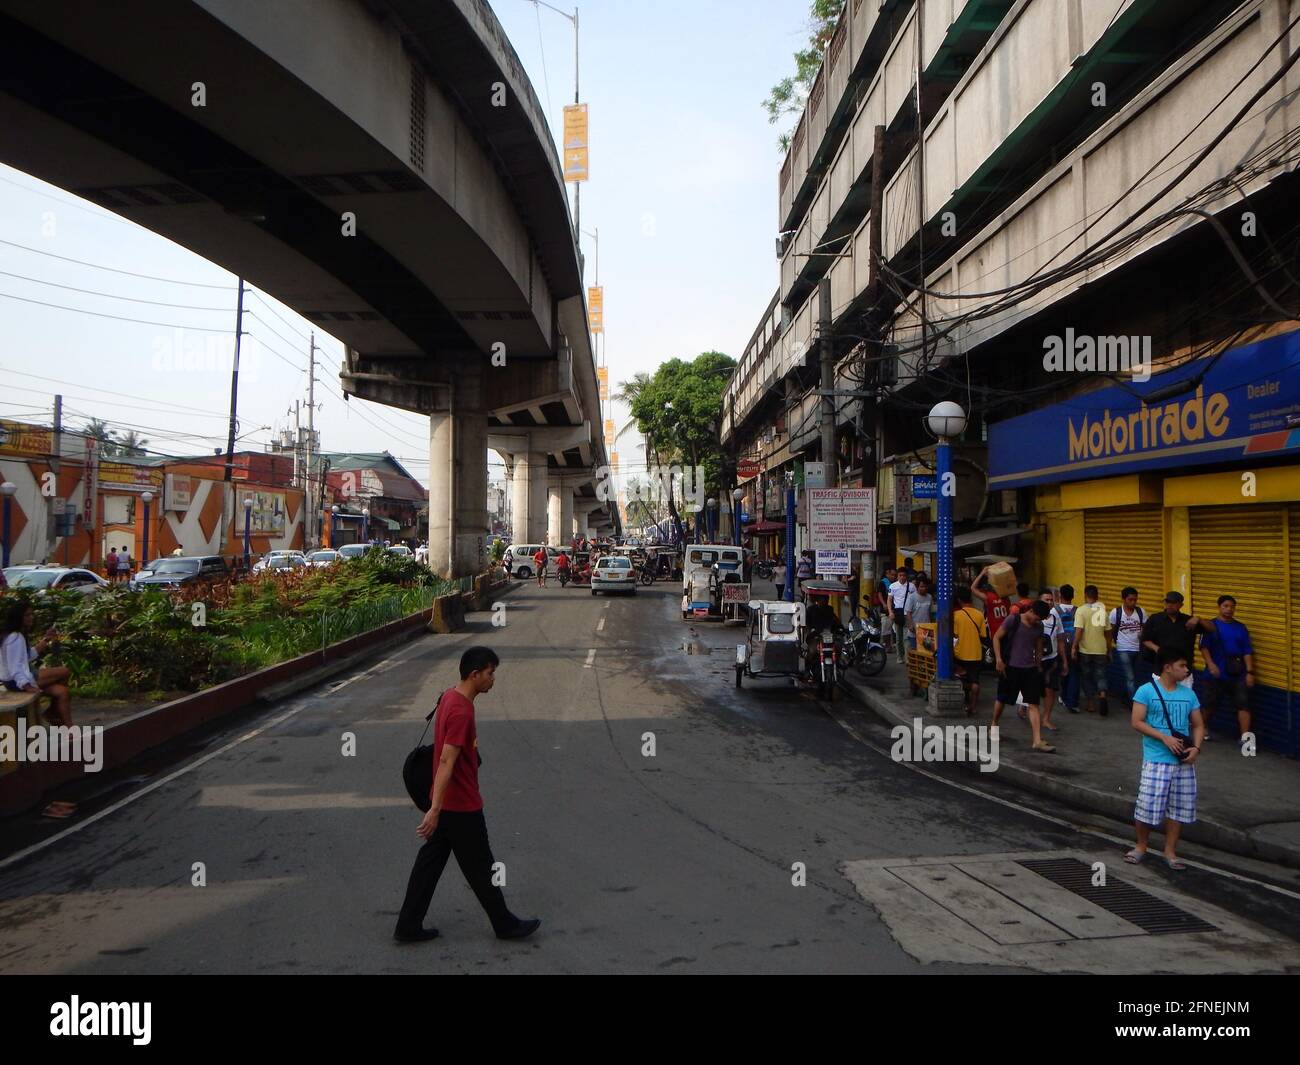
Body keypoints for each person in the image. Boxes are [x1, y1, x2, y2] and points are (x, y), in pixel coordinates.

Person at [394, 646, 540, 943]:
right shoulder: (461, 710)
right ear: (474, 674)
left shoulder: (449, 696)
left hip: (448, 803)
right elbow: (447, 760)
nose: (493, 679)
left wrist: (437, 806)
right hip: (459, 806)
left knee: (430, 864)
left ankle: (408, 925)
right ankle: (504, 924)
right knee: (482, 866)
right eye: (490, 673)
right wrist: (435, 809)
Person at [1126, 647, 1204, 870]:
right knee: (1147, 805)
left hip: (1182, 761)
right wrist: (1164, 738)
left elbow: (1198, 725)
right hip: (1156, 758)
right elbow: (1137, 721)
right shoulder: (1146, 691)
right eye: (1182, 666)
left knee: (1178, 807)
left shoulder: (1188, 694)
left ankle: (1170, 850)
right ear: (1167, 668)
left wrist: (1196, 748)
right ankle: (1141, 846)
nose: (1186, 670)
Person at [992, 600, 1054, 752]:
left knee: (1033, 704)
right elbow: (996, 637)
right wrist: (999, 659)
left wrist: (1038, 666)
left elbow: (1039, 647)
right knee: (1002, 699)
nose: (1038, 622)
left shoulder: (1038, 627)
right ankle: (994, 724)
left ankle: (1037, 740)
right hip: (1010, 667)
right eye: (1037, 618)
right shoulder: (1013, 620)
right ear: (1031, 611)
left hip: (1030, 670)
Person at [0, 602, 72, 726]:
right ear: (18, 617)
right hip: (16, 681)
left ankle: (69, 728)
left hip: (22, 677)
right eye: (27, 615)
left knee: (62, 692)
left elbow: (28, 656)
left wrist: (46, 639)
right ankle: (53, 713)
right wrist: (27, 686)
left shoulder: (17, 635)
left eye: (32, 614)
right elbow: (15, 667)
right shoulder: (15, 638)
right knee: (64, 671)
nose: (31, 617)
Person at [1196, 595, 1255, 743]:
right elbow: (1204, 647)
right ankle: (1201, 727)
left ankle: (1245, 738)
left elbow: (1247, 650)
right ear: (1219, 607)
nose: (1229, 609)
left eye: (1232, 607)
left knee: (1244, 704)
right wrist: (1211, 664)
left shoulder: (1241, 628)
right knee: (1210, 704)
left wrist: (1249, 672)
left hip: (1237, 673)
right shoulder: (1211, 625)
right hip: (1215, 673)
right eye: (1225, 606)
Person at [1140, 592, 1202, 689]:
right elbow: (1145, 639)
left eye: (1173, 603)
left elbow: (1212, 629)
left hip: (1184, 674)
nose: (1169, 605)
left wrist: (1198, 619)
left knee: (1183, 701)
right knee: (1162, 701)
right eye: (1167, 602)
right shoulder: (1155, 619)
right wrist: (1158, 649)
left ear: (1180, 605)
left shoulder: (1188, 621)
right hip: (1161, 671)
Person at [1071, 585, 1111, 716]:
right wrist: (1109, 649)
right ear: (1097, 596)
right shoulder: (1103, 611)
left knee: (1087, 676)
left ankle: (1090, 703)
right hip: (1101, 649)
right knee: (1101, 674)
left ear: (1085, 595)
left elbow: (1079, 631)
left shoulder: (1081, 611)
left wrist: (1074, 647)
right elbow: (1108, 633)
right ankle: (1103, 694)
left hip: (1085, 650)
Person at [952, 587, 988, 716]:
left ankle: (961, 700)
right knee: (975, 681)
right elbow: (983, 635)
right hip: (976, 654)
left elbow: (955, 635)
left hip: (959, 653)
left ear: (959, 600)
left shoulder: (956, 615)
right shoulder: (979, 614)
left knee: (958, 675)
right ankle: (973, 706)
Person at [1108, 587, 1146, 702]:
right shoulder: (1116, 612)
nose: (1133, 602)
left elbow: (1146, 628)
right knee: (1130, 677)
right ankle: (1133, 702)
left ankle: (1128, 695)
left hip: (1138, 649)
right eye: (1130, 600)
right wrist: (1109, 647)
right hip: (1123, 648)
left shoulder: (1140, 612)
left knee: (1134, 676)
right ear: (1123, 599)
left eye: (1135, 600)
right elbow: (1111, 630)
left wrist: (1142, 636)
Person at [1036, 590, 1067, 732]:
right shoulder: (1033, 617)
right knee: (1031, 689)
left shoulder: (1056, 618)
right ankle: (1024, 708)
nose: (1049, 602)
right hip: (1033, 660)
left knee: (1050, 690)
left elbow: (1060, 640)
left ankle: (1046, 719)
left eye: (1051, 600)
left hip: (1051, 660)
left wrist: (1064, 661)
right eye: (1046, 600)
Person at [970, 566, 1012, 646]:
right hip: (1007, 631)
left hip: (994, 632)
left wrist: (982, 573)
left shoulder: (988, 598)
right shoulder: (1006, 597)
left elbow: (973, 588)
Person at [1055, 584, 1079, 712]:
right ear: (1073, 596)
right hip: (1075, 645)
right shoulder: (1078, 610)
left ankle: (1064, 696)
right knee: (1074, 673)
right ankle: (1071, 701)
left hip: (1060, 645)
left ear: (1060, 595)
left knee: (1063, 671)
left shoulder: (1055, 610)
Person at [887, 568, 915, 663]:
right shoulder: (893, 586)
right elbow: (889, 600)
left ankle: (907, 658)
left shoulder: (911, 586)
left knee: (906, 637)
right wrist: (890, 612)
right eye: (900, 575)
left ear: (907, 576)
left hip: (908, 614)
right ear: (897, 576)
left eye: (904, 575)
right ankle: (899, 657)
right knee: (898, 637)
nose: (902, 577)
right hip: (897, 614)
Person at [904, 575, 934, 655]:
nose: (923, 588)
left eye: (925, 586)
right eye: (921, 586)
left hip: (926, 630)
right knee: (915, 652)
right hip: (915, 630)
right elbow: (908, 613)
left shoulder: (929, 597)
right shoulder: (912, 597)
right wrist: (911, 625)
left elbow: (930, 613)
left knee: (926, 653)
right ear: (917, 587)